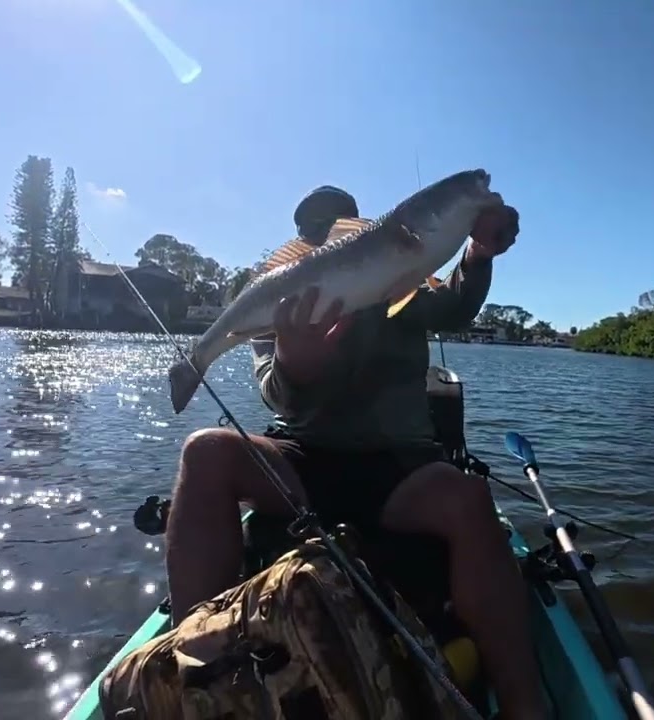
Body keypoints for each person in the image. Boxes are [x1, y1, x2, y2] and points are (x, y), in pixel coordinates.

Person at [164, 185, 546, 719]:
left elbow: (457, 306)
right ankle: (193, 672)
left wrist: (478, 253)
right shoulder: (283, 292)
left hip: (398, 465)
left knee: (466, 496)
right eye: (308, 226)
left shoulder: (403, 271)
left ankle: (525, 706)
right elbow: (274, 392)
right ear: (297, 238)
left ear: (360, 224)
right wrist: (294, 364)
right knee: (206, 451)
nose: (320, 231)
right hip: (303, 458)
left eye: (334, 221)